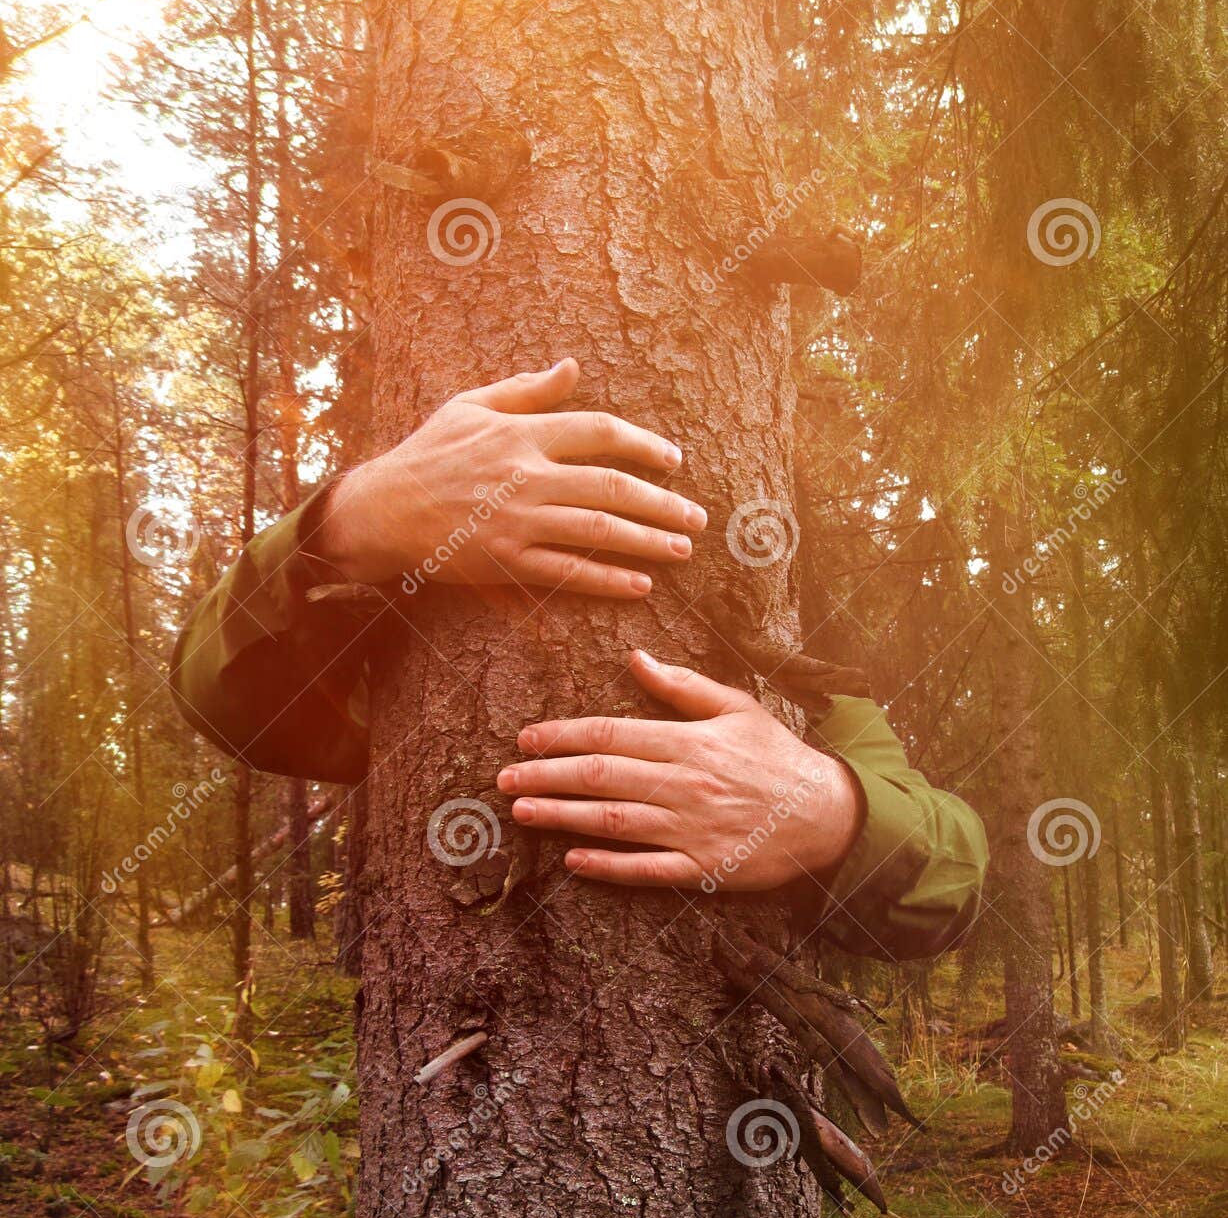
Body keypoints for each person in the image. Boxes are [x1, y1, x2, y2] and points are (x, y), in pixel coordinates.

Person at [171, 359, 986, 960]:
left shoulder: (809, 697)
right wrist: (349, 522)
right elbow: (225, 696)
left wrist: (827, 810)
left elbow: (950, 885)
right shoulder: (405, 601)